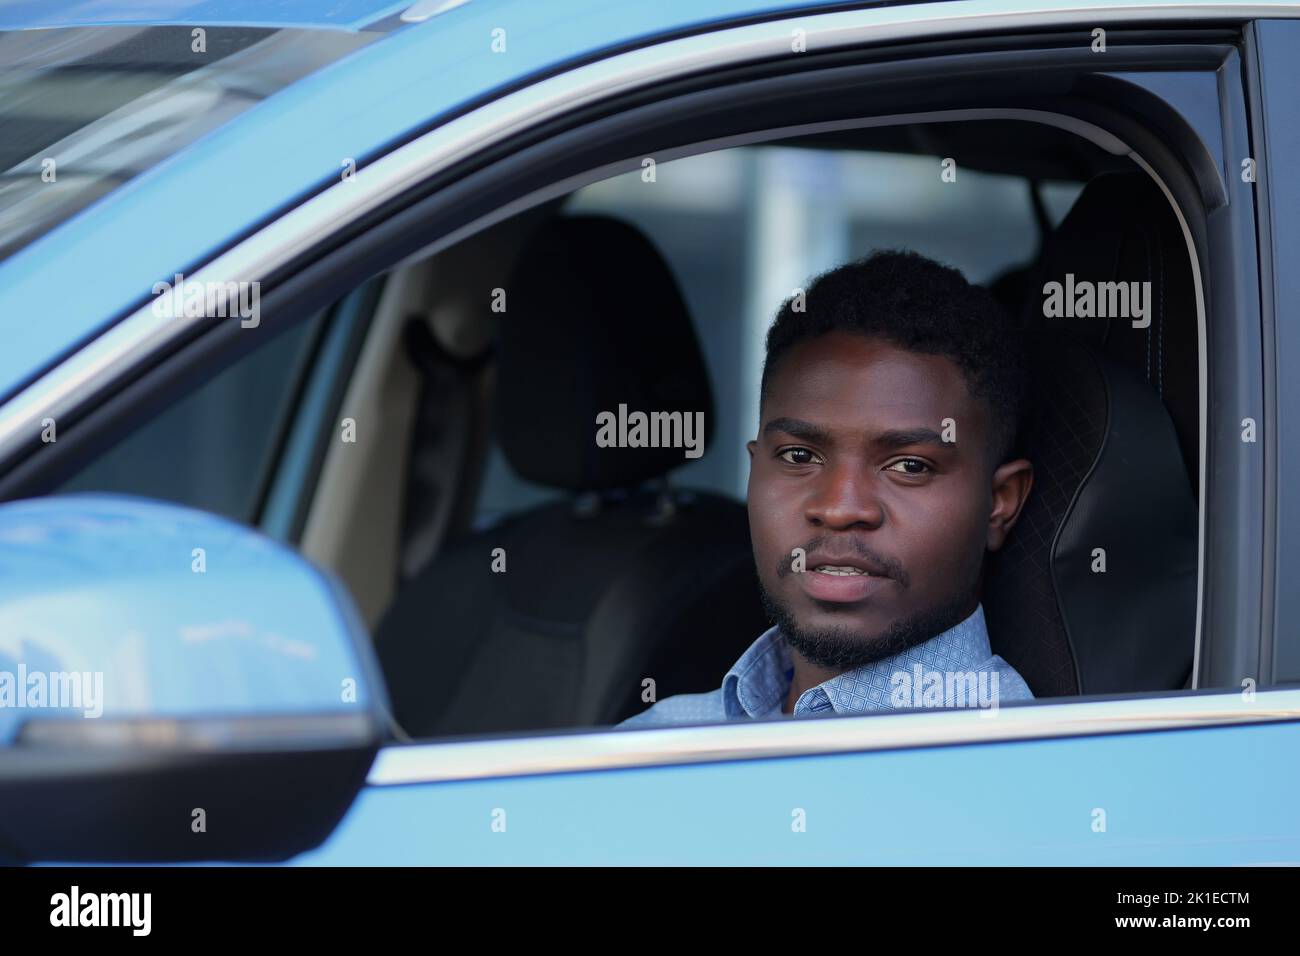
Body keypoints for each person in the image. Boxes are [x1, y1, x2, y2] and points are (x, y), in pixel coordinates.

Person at [620, 250, 1035, 727]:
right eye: (799, 457)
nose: (840, 508)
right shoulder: (655, 739)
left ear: (999, 504)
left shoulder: (1019, 769)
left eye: (909, 466)